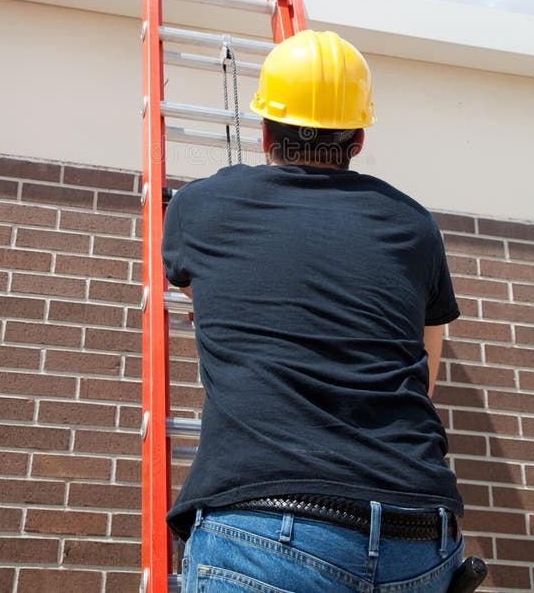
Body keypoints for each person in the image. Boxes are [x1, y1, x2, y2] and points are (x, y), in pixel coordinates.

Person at [162, 29, 464, 592]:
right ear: (357, 137)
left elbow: (201, 297)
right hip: (418, 531)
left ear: (264, 129)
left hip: (265, 528)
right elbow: (427, 373)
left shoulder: (199, 208)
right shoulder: (413, 224)